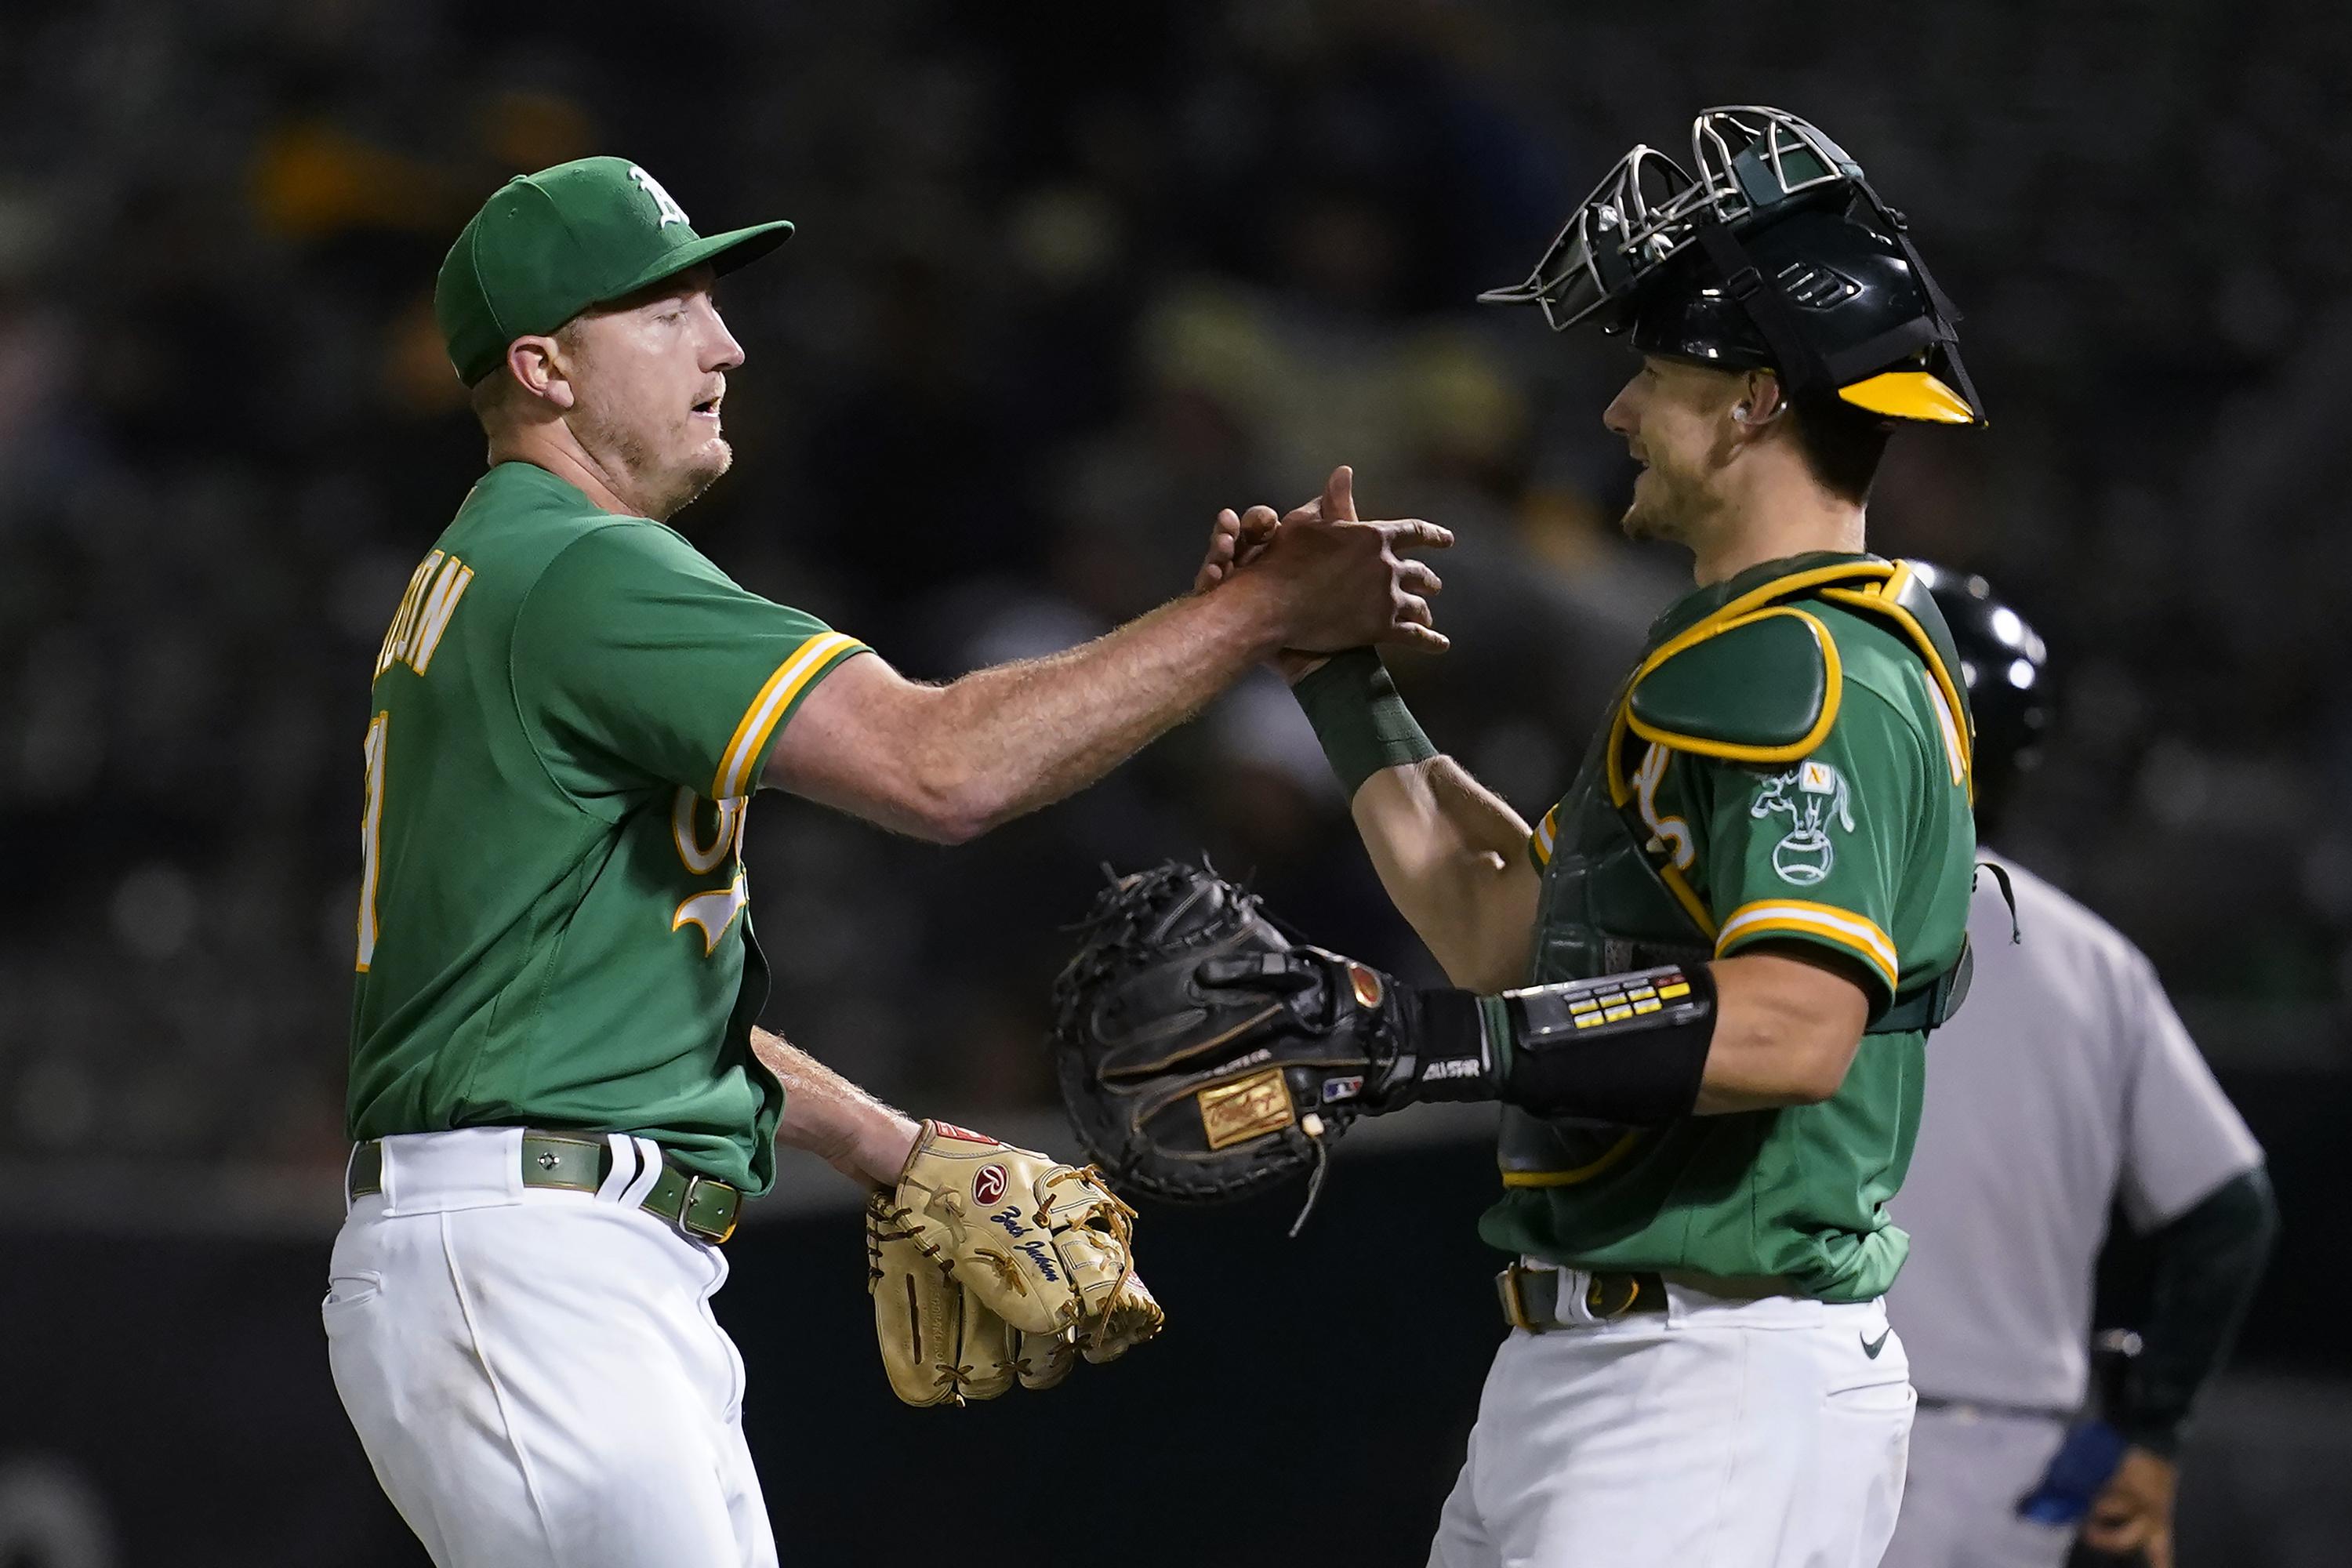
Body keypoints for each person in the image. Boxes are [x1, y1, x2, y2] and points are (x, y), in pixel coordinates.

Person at [325, 154, 1449, 1568]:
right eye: (667, 312)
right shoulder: (581, 572)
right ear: (544, 367)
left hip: (545, 1253)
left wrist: (891, 1146)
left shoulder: (508, 571)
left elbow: (599, 1011)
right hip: (535, 1269)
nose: (725, 345)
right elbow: (941, 768)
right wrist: (1247, 621)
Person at [1192, 105, 1987, 1566]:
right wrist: (1336, 681)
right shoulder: (1758, 648)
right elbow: (1516, 934)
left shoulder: (1796, 668)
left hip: (1705, 1384)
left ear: (1756, 399)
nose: (1620, 411)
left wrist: (1426, 1043)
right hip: (1624, 1370)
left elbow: (1791, 1026)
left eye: (1655, 371)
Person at [1880, 564, 2278, 1568]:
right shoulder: (2095, 962)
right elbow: (2230, 1209)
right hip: (2028, 1467)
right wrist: (2154, 1435)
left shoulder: (1797, 930)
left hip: (1839, 1428)